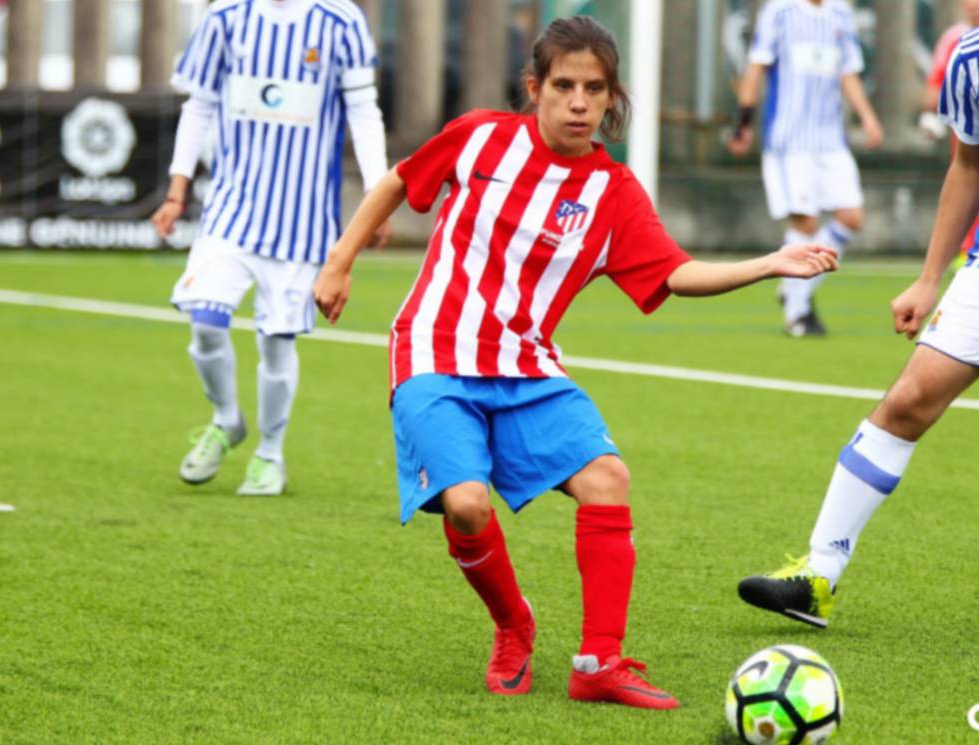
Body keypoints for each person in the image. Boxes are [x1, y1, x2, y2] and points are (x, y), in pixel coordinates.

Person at [313, 16, 837, 708]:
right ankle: (513, 624)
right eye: (564, 85)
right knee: (466, 504)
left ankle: (599, 663)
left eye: (595, 88)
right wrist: (338, 262)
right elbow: (395, 183)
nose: (580, 101)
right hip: (433, 351)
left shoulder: (614, 193)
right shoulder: (480, 138)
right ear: (535, 88)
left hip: (526, 366)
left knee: (607, 478)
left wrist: (771, 261)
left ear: (611, 96)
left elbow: (675, 274)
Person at [738, 28, 979, 629]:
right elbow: (969, 165)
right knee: (906, 402)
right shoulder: (970, 63)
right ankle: (818, 577)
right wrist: (928, 280)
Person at [151, 0, 389, 496]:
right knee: (205, 317)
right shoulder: (224, 16)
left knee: (277, 340)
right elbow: (198, 105)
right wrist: (177, 190)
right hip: (230, 210)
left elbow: (363, 111)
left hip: (302, 223)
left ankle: (269, 455)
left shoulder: (339, 20)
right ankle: (227, 419)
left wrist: (376, 192)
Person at [729, 0, 884, 337]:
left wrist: (868, 117)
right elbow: (756, 67)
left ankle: (794, 289)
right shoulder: (779, 12)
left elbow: (849, 73)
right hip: (790, 140)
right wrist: (743, 123)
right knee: (806, 221)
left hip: (831, 141)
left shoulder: (841, 14)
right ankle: (797, 315)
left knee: (852, 217)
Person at [920, 0, 979, 269]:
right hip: (967, 143)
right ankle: (964, 255)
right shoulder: (958, 44)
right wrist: (930, 117)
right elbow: (934, 87)